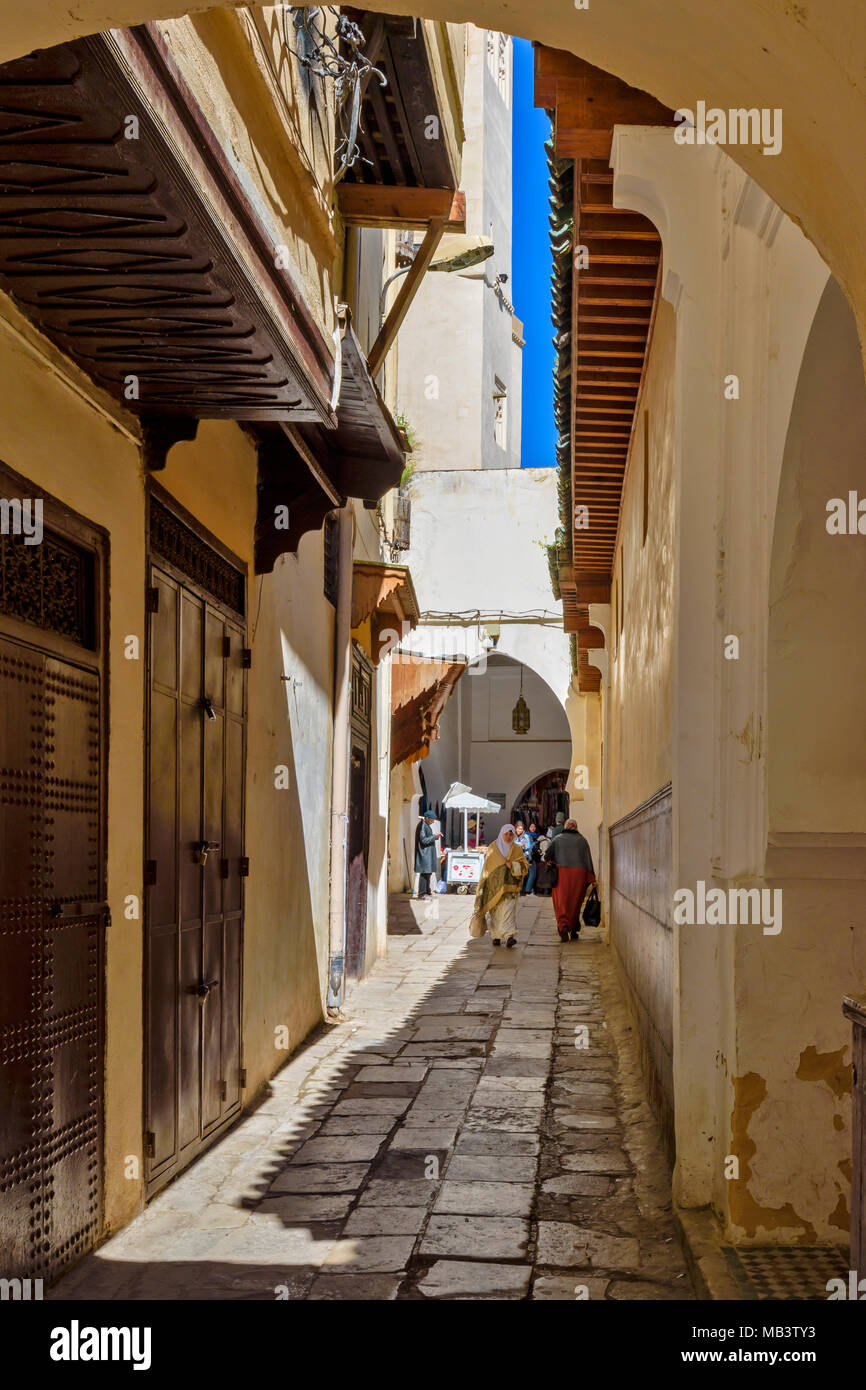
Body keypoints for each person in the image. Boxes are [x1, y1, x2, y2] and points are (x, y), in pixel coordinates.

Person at [471, 823, 527, 948]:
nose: (508, 836)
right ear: (501, 834)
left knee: (508, 912)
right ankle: (496, 935)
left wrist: (513, 865)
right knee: (495, 913)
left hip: (510, 888)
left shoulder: (517, 849)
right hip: (494, 887)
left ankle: (508, 936)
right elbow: (487, 868)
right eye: (506, 834)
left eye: (511, 834)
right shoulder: (493, 848)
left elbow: (524, 867)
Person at [544, 818, 596, 942]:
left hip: (562, 874)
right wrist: (592, 878)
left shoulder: (557, 839)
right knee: (576, 902)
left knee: (562, 901)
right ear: (576, 827)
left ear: (566, 826)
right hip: (579, 875)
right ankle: (573, 928)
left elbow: (547, 856)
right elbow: (588, 860)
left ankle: (563, 926)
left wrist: (552, 862)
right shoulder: (583, 841)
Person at [413, 809, 438, 899]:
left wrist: (434, 837)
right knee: (424, 874)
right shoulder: (423, 826)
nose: (433, 821)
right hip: (424, 854)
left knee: (428, 873)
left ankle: (427, 891)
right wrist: (434, 837)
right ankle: (422, 894)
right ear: (426, 818)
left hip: (427, 854)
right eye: (432, 819)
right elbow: (423, 840)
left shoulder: (425, 825)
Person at [523, 821, 539, 895]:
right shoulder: (529, 836)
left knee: (527, 873)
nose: (533, 828)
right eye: (531, 826)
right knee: (532, 873)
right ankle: (528, 889)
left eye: (534, 826)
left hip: (530, 856)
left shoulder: (534, 835)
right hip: (530, 857)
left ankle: (525, 889)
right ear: (529, 828)